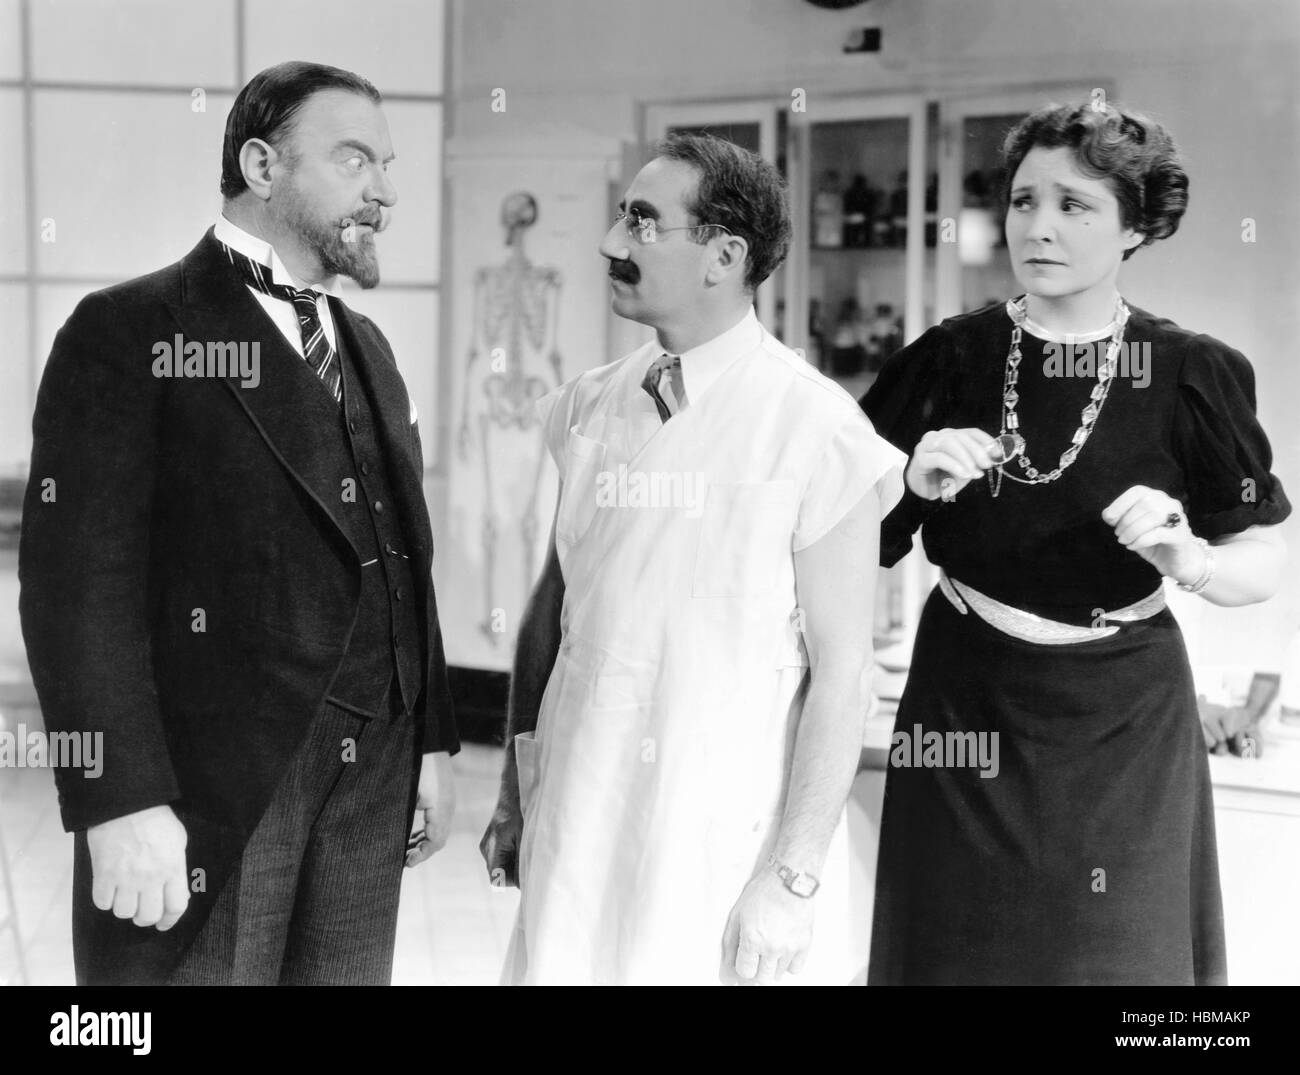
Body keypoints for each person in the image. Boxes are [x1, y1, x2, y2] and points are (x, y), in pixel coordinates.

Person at [19, 60, 458, 986]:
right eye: (354, 160)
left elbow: (403, 556)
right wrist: (119, 799)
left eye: (387, 165)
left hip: (373, 771)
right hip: (213, 789)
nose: (385, 192)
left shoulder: (368, 348)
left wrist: (431, 739)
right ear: (262, 166)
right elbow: (75, 586)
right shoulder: (129, 327)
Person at [860, 101, 1290, 985]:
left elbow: (1264, 560)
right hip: (963, 706)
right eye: (1024, 201)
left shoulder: (1189, 370)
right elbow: (845, 541)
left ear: (1136, 227)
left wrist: (1191, 558)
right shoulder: (951, 357)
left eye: (1074, 205)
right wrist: (906, 483)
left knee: (1116, 962)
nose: (1039, 227)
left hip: (1123, 720)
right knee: (954, 956)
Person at [479, 132, 905, 985]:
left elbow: (844, 673)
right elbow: (557, 608)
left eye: (643, 221)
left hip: (718, 841)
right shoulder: (587, 404)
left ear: (724, 256)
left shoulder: (816, 428)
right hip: (579, 812)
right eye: (621, 216)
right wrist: (516, 792)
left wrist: (792, 879)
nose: (612, 242)